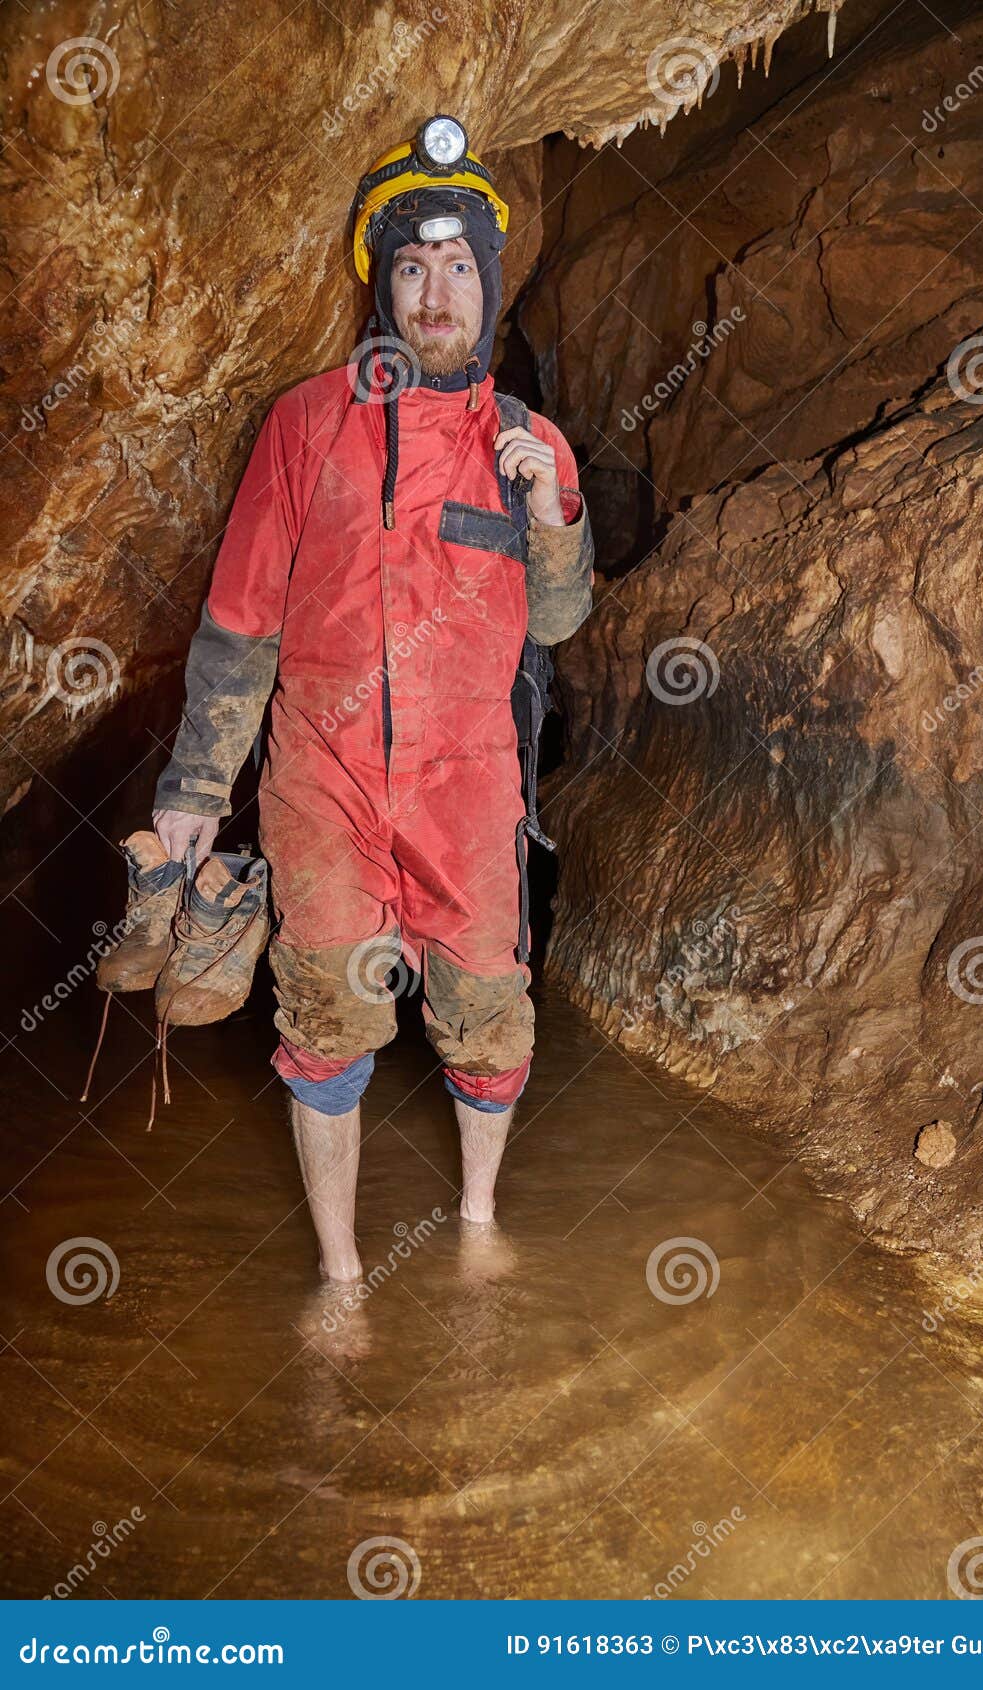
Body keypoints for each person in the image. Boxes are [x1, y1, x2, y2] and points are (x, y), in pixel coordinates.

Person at [150, 117, 594, 1281]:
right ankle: (343, 1277)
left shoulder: (527, 441)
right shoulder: (304, 425)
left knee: (489, 1019)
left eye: (457, 265)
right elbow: (241, 620)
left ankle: (478, 1226)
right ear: (382, 284)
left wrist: (554, 513)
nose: (434, 290)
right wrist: (198, 790)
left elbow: (557, 621)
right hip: (324, 781)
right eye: (410, 263)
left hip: (467, 783)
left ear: (487, 285)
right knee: (327, 1019)